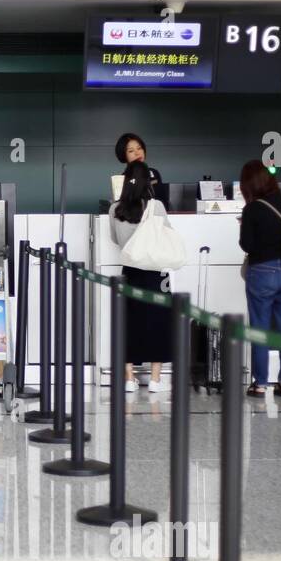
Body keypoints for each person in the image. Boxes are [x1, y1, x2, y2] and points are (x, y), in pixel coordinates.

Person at [109, 160, 172, 393]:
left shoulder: (115, 209)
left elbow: (115, 239)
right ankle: (155, 380)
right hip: (155, 271)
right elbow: (167, 235)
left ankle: (129, 378)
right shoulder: (156, 207)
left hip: (130, 271)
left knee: (129, 322)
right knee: (158, 321)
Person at [238, 159, 281, 399]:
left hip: (262, 273)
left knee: (260, 328)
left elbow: (247, 245)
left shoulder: (251, 209)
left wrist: (244, 226)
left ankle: (260, 384)